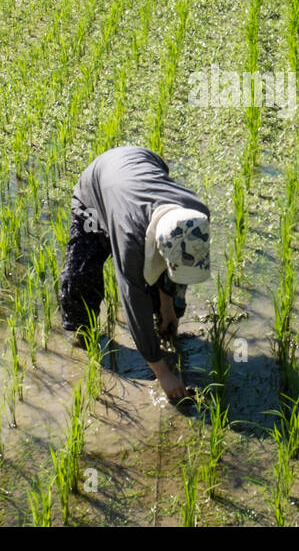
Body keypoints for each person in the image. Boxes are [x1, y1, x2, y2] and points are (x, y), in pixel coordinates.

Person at [59, 145, 210, 404]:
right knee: (80, 278)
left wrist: (167, 306)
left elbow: (174, 259)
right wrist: (163, 374)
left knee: (164, 293)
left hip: (144, 163)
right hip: (96, 195)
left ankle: (165, 323)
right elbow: (133, 302)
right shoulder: (131, 240)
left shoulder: (197, 214)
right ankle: (83, 335)